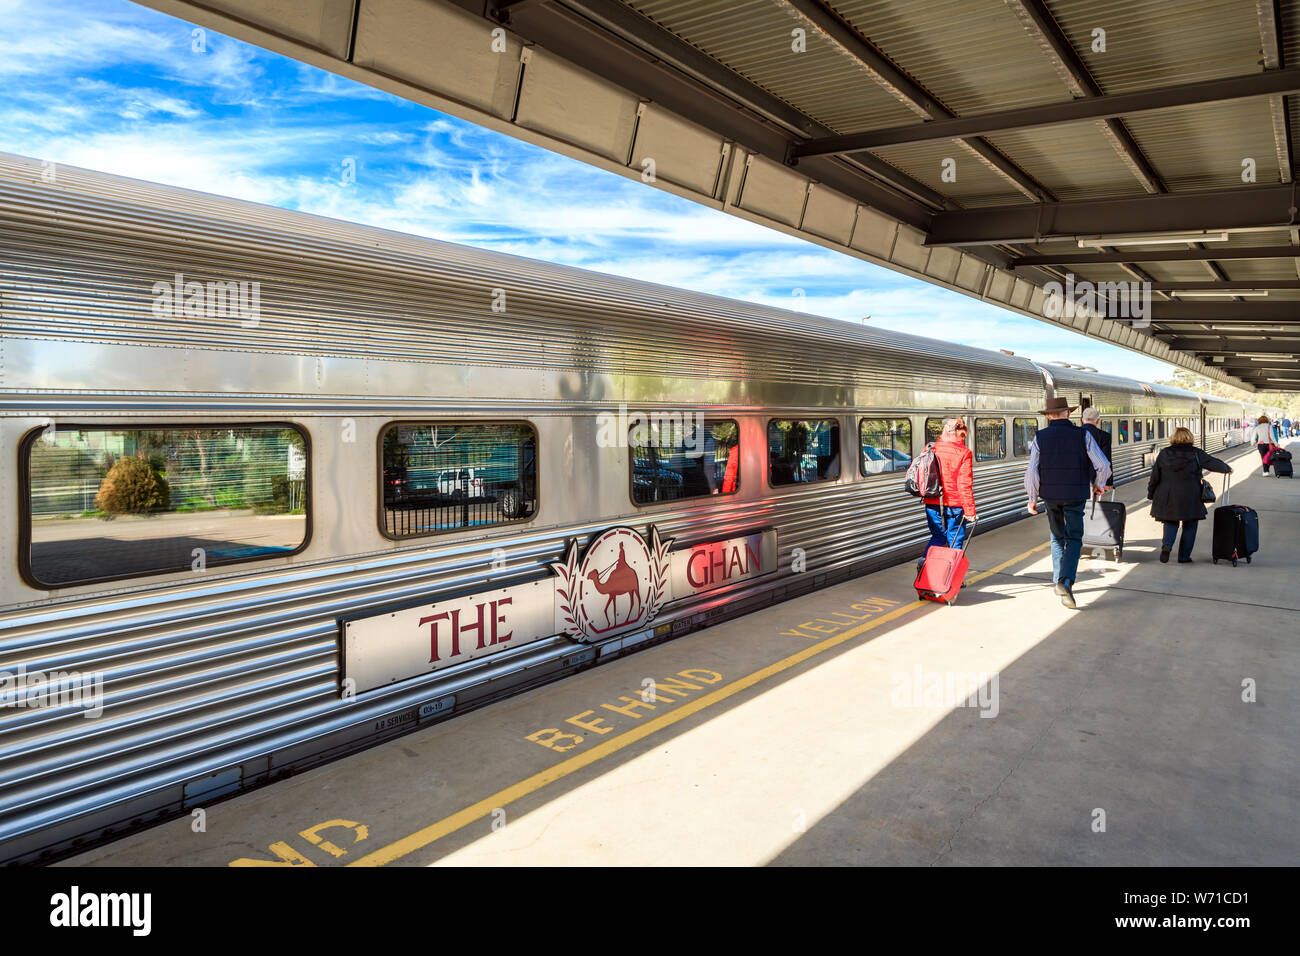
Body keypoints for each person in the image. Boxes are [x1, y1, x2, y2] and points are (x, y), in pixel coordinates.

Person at [1024, 397, 1111, 609]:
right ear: (1068, 414)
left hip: (1050, 496)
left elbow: (1031, 472)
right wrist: (1098, 485)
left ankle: (1057, 580)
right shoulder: (1083, 435)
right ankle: (1065, 581)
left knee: (1056, 536)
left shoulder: (1040, 437)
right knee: (1074, 538)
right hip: (1076, 494)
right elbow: (1103, 465)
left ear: (1048, 415)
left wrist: (1032, 499)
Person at [1147, 427, 1232, 563]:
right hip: (1190, 494)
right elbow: (1211, 463)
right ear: (1189, 437)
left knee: (1170, 521)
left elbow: (1155, 476)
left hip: (1167, 494)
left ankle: (1167, 546)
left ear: (1173, 438)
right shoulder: (1196, 453)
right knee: (1190, 524)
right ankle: (1184, 557)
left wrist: (1151, 493)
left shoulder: (1164, 453)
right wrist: (1226, 468)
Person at [919, 417, 976, 563]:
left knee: (938, 537)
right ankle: (951, 576)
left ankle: (924, 563)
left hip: (932, 501)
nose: (963, 439)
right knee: (955, 540)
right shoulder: (964, 452)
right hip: (954, 505)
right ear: (958, 434)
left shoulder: (930, 448)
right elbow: (964, 484)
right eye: (963, 435)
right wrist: (970, 511)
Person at [1081, 407, 1113, 491]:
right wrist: (1108, 482)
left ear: (1082, 420)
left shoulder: (1076, 434)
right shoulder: (1105, 436)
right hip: (1096, 480)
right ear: (1098, 421)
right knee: (1094, 503)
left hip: (1078, 480)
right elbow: (1107, 459)